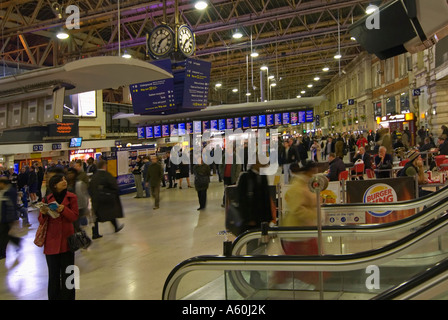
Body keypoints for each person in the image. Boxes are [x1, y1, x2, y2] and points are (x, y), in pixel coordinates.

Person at [273, 161, 329, 288]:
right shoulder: (298, 186)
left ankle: (318, 285)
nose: (316, 173)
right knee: (299, 262)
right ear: (308, 171)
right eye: (314, 171)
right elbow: (297, 209)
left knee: (302, 261)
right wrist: (315, 215)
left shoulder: (307, 184)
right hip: (298, 231)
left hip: (306, 231)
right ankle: (276, 287)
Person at [38, 174, 79, 300]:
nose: (64, 181)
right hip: (51, 242)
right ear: (54, 185)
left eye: (65, 179)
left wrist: (63, 210)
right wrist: (43, 213)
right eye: (61, 180)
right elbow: (40, 221)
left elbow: (74, 217)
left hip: (68, 242)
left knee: (69, 274)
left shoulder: (72, 197)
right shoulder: (46, 199)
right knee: (53, 275)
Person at [89, 160, 124, 239]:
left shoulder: (94, 176)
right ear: (104, 166)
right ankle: (116, 227)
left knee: (96, 216)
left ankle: (95, 233)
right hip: (106, 199)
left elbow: (90, 188)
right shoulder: (107, 175)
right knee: (110, 213)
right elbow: (114, 186)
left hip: (96, 199)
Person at [0, 177, 21, 260]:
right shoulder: (2, 191)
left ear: (3, 183)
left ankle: (2, 253)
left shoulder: (11, 192)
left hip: (6, 218)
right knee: (5, 235)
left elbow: (12, 206)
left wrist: (13, 219)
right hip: (2, 217)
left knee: (3, 236)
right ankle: (17, 241)